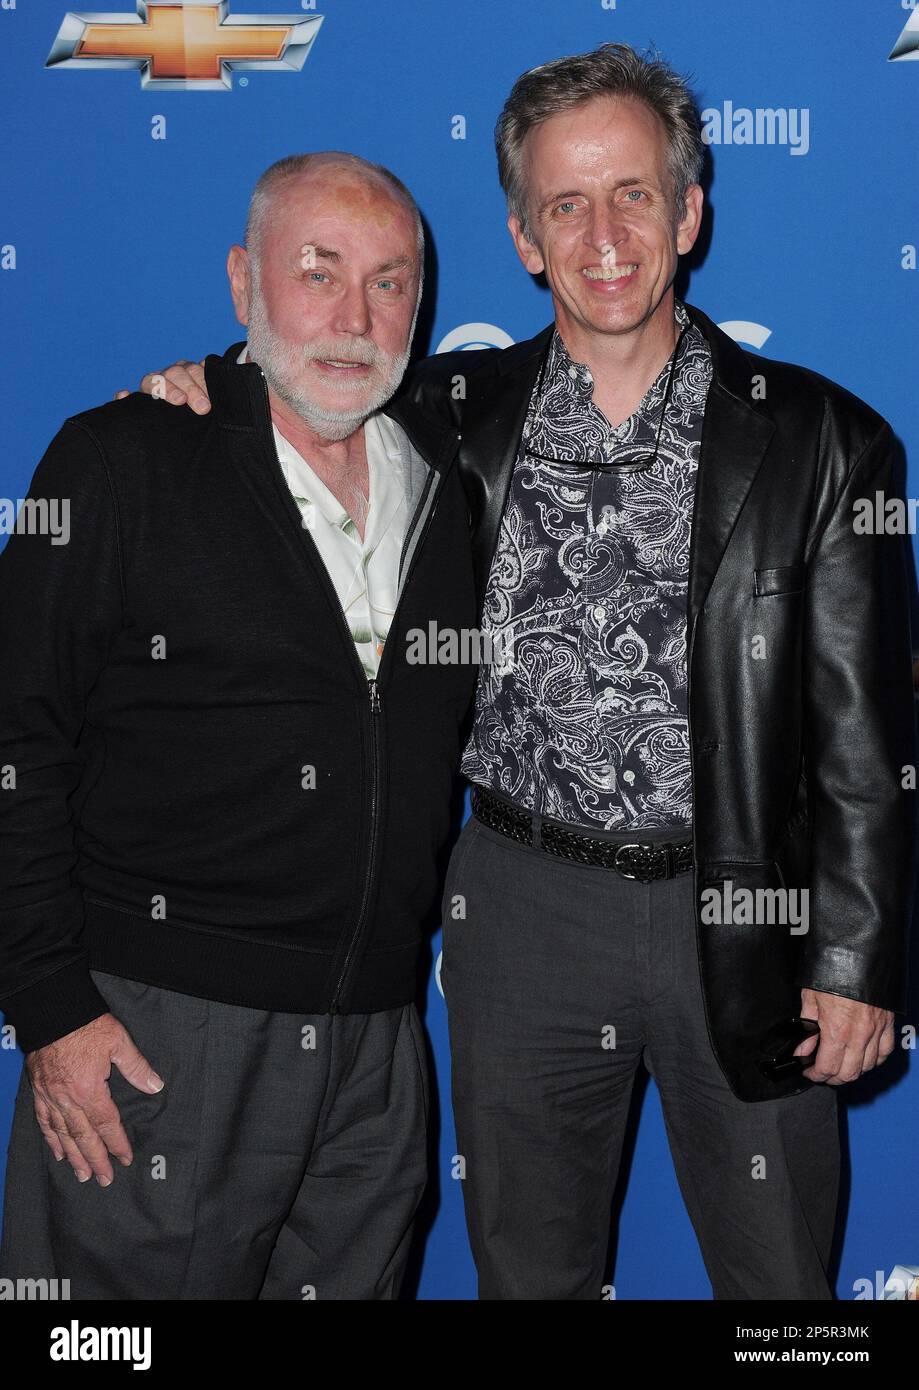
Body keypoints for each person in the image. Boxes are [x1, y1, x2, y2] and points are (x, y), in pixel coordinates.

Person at [126, 44, 917, 1301]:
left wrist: (854, 959)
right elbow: (308, 376)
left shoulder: (824, 438)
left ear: (689, 212)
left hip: (746, 904)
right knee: (528, 1275)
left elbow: (865, 734)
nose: (602, 235)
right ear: (524, 240)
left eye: (633, 195)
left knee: (782, 1289)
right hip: (518, 907)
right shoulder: (443, 414)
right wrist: (206, 387)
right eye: (565, 205)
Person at [0, 152, 477, 1299]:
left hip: (375, 1045)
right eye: (317, 272)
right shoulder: (122, 459)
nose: (355, 317)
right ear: (240, 282)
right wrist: (53, 1009)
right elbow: (17, 739)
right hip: (157, 1035)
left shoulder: (453, 479)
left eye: (391, 281)